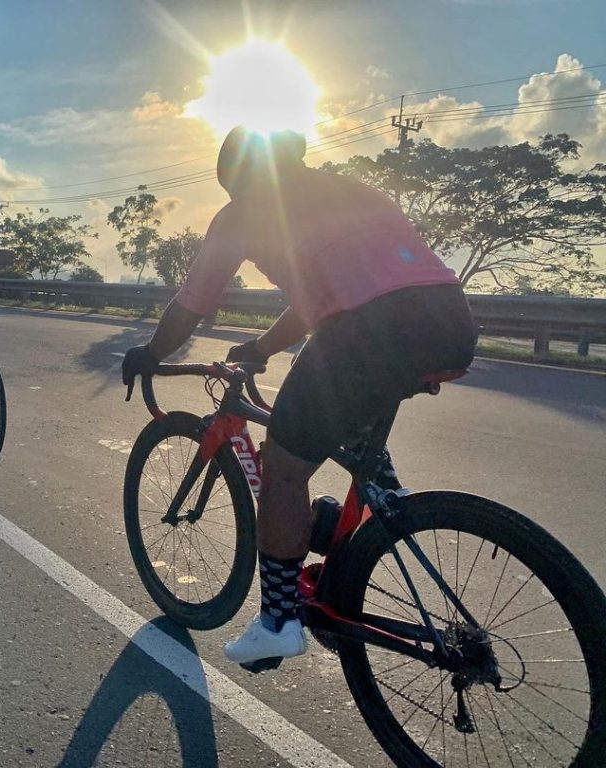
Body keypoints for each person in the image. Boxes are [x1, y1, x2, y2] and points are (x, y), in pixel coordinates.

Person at [122, 126, 476, 668]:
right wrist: (262, 346)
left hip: (369, 330)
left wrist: (150, 352)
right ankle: (369, 521)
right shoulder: (354, 189)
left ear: (235, 178)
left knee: (284, 470)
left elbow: (192, 304)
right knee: (352, 420)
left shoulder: (241, 214)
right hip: (449, 321)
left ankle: (277, 623)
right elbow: (321, 300)